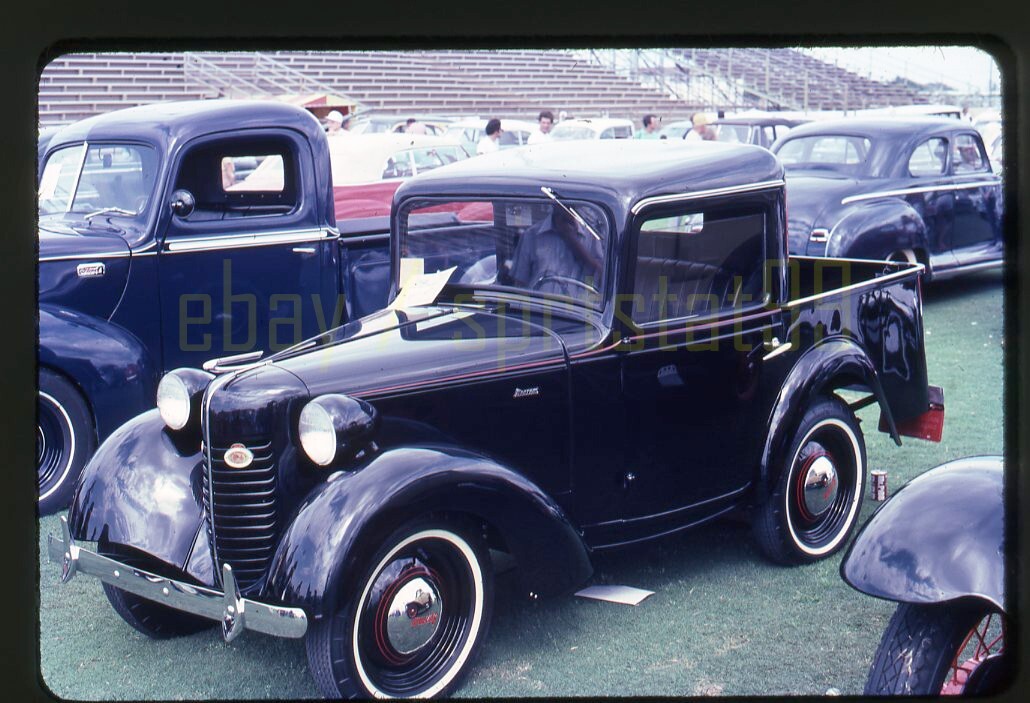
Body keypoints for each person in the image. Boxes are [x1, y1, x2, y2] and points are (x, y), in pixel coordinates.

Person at [509, 205, 604, 300]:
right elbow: (520, 282)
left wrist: (572, 241)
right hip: (538, 307)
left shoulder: (592, 237)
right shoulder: (532, 235)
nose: (566, 207)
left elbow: (599, 276)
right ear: (554, 204)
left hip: (578, 309)